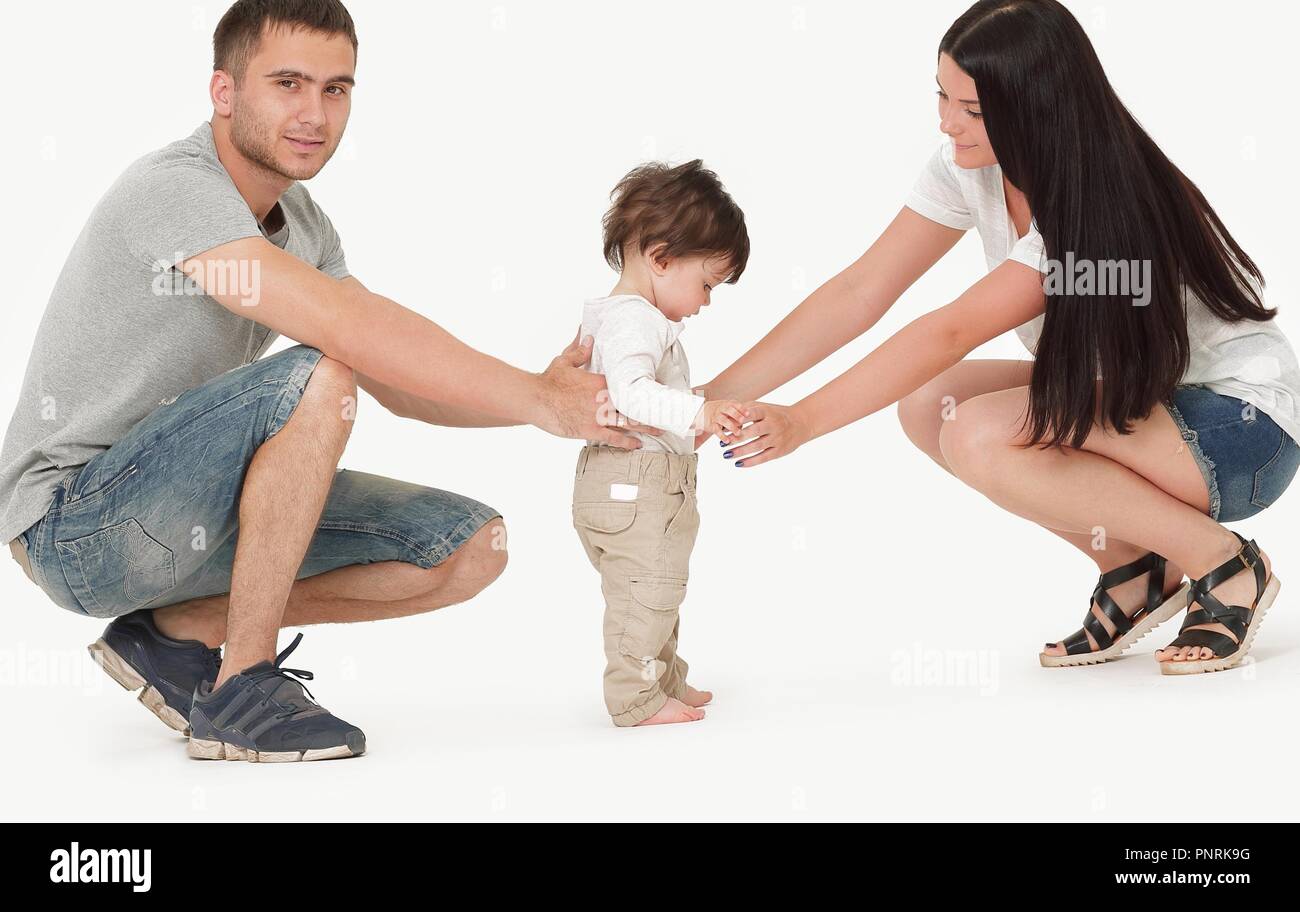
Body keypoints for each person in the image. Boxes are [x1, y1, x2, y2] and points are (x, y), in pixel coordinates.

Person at [0, 0, 655, 763]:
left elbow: (397, 378)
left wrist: (549, 404)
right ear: (224, 92)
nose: (314, 113)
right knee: (321, 369)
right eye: (288, 83)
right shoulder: (172, 188)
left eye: (336, 89)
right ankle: (241, 686)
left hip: (184, 516)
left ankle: (181, 635)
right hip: (77, 528)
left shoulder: (304, 224)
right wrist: (539, 398)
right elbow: (348, 335)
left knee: (470, 548)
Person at [700, 0, 1300, 675]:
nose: (945, 122)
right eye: (941, 95)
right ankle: (1136, 567)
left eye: (973, 110)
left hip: (1238, 433)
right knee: (931, 403)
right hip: (1146, 404)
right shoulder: (970, 166)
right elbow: (859, 290)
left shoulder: (1096, 204)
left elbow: (951, 328)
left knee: (979, 432)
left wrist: (802, 421)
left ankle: (1224, 563)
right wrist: (707, 399)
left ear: (1038, 107)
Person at [572, 161, 749, 726]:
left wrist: (689, 416)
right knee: (644, 593)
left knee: (658, 585)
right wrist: (704, 410)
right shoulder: (635, 320)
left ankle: (666, 677)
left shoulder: (627, 319)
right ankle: (634, 698)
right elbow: (630, 393)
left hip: (638, 488)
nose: (705, 303)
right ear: (661, 257)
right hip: (635, 488)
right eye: (706, 285)